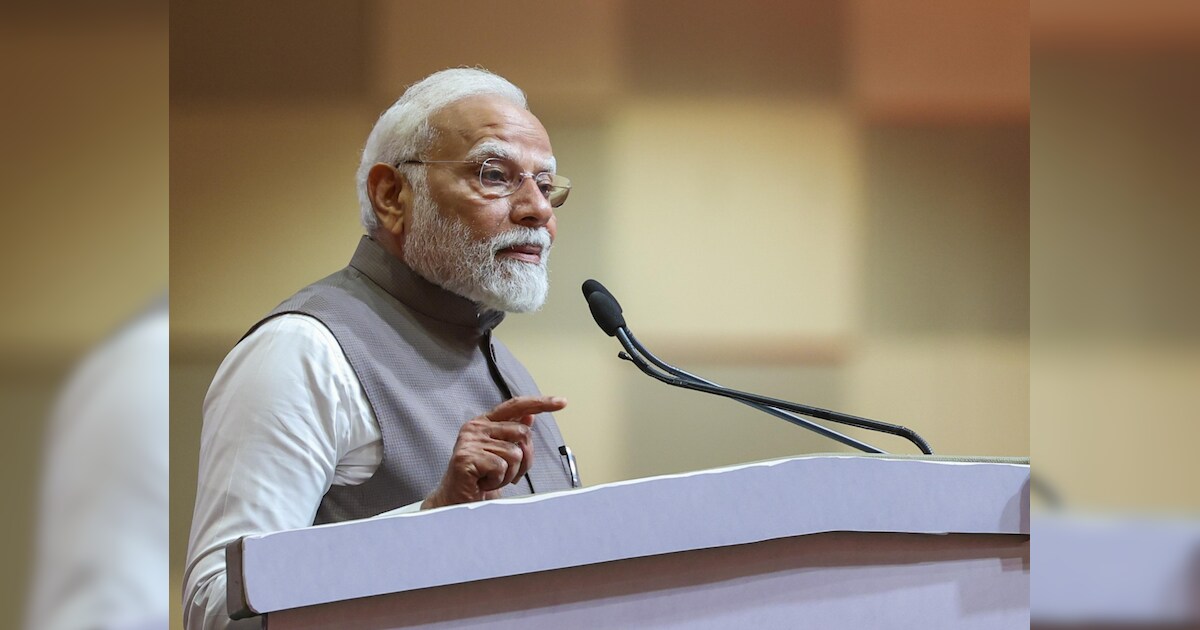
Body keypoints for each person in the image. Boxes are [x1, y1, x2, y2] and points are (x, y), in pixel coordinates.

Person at [183, 68, 579, 630]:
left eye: (545, 184)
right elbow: (218, 609)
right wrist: (430, 519)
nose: (538, 209)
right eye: (494, 175)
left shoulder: (502, 365)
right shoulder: (302, 351)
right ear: (392, 195)